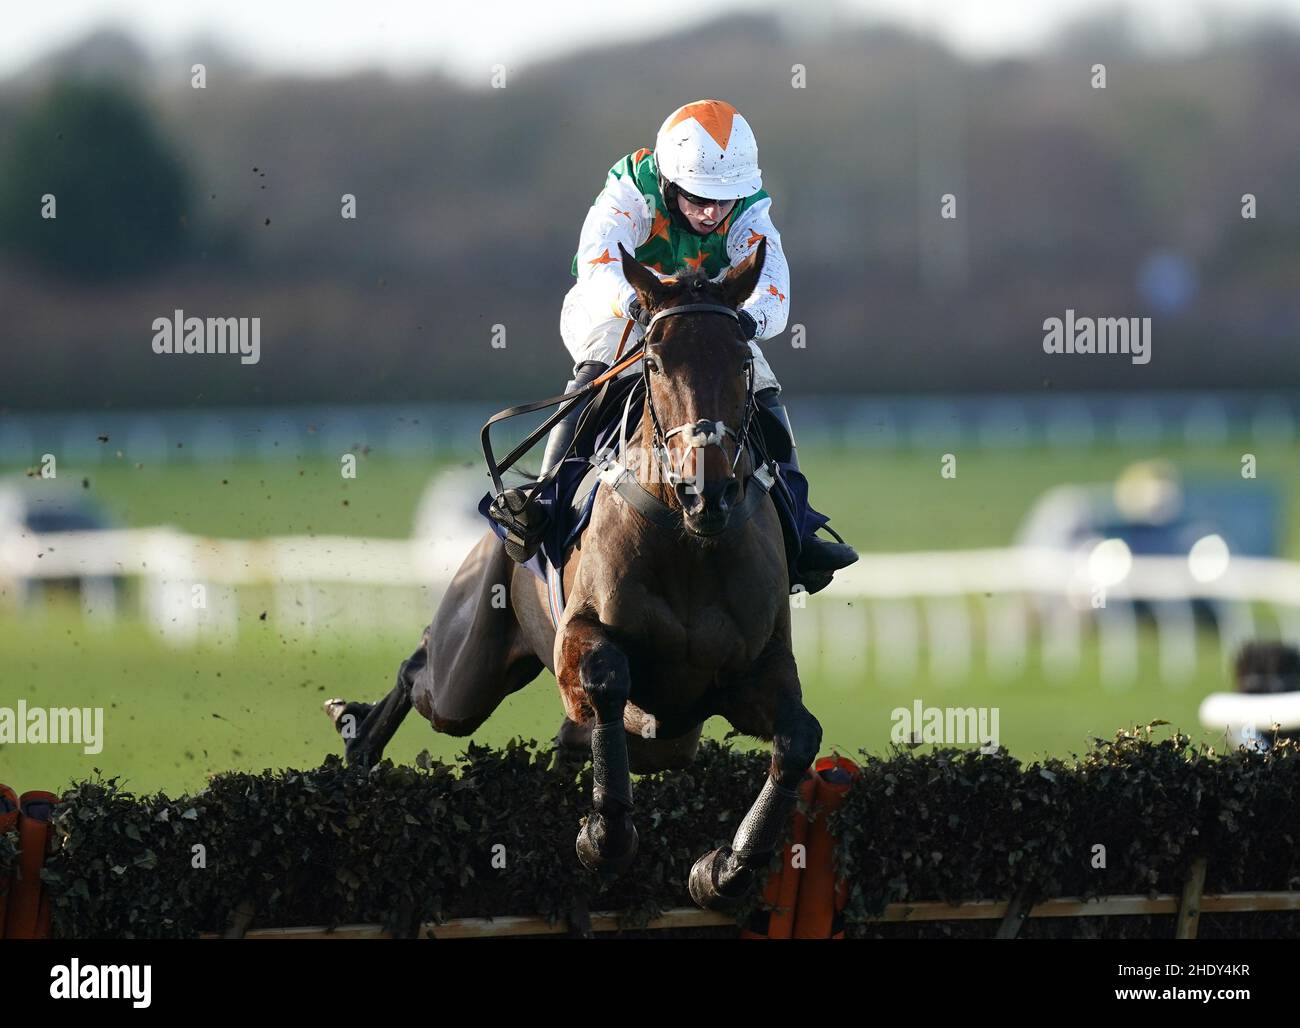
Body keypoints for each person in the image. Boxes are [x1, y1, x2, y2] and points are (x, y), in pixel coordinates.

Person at [489, 98, 856, 591]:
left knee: (761, 380)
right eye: (699, 197)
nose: (712, 212)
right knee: (600, 365)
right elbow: (596, 262)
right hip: (622, 308)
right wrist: (637, 305)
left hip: (707, 318)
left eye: (723, 199)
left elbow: (773, 283)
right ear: (669, 182)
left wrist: (747, 322)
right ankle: (544, 503)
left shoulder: (748, 206)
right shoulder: (631, 190)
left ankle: (797, 520)